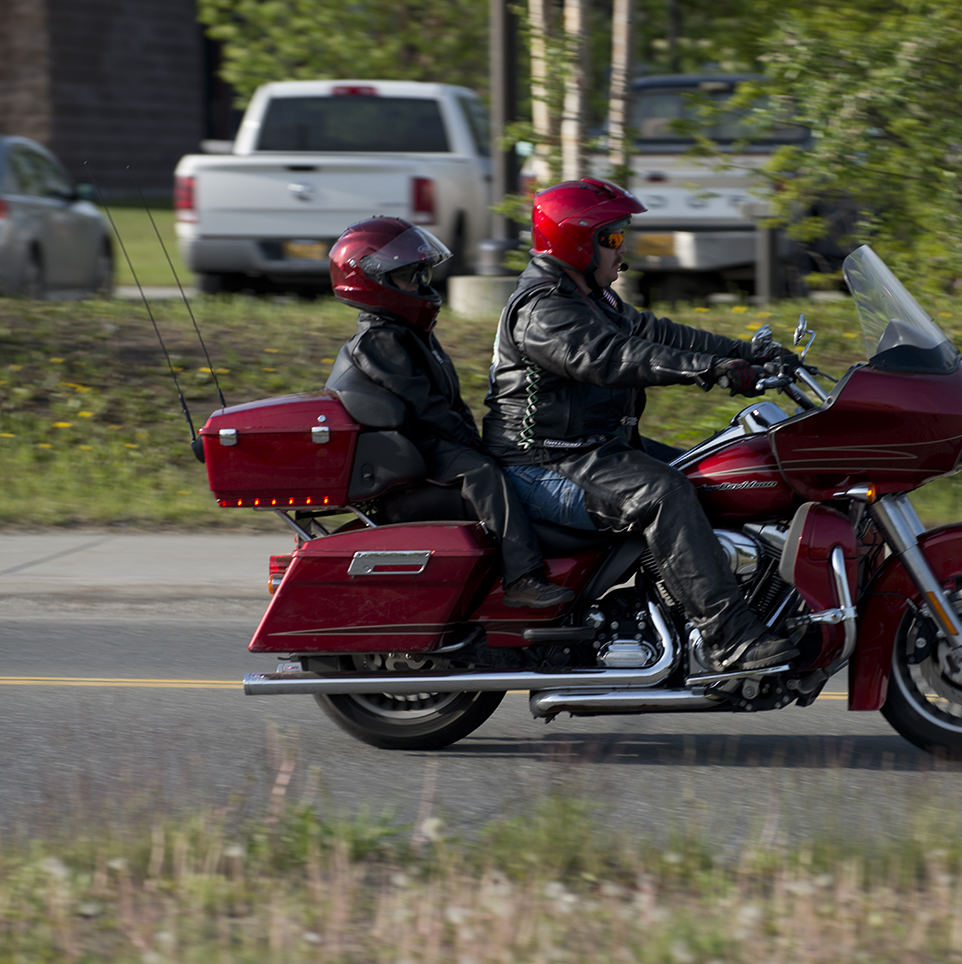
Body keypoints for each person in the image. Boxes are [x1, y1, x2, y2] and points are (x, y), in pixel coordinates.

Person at [482, 178, 798, 672]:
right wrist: (707, 371)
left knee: (718, 473)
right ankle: (727, 637)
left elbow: (656, 333)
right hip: (545, 461)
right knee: (665, 493)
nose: (621, 247)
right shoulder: (544, 309)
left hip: (595, 448)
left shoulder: (593, 298)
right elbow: (609, 357)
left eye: (622, 235)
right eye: (611, 237)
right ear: (576, 240)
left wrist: (744, 353)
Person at [326, 217, 573, 608]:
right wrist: (474, 444)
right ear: (374, 281)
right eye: (409, 277)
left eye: (422, 274)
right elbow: (426, 407)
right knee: (484, 473)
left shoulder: (403, 332)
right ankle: (522, 577)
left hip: (426, 440)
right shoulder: (380, 340)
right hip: (416, 447)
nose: (421, 286)